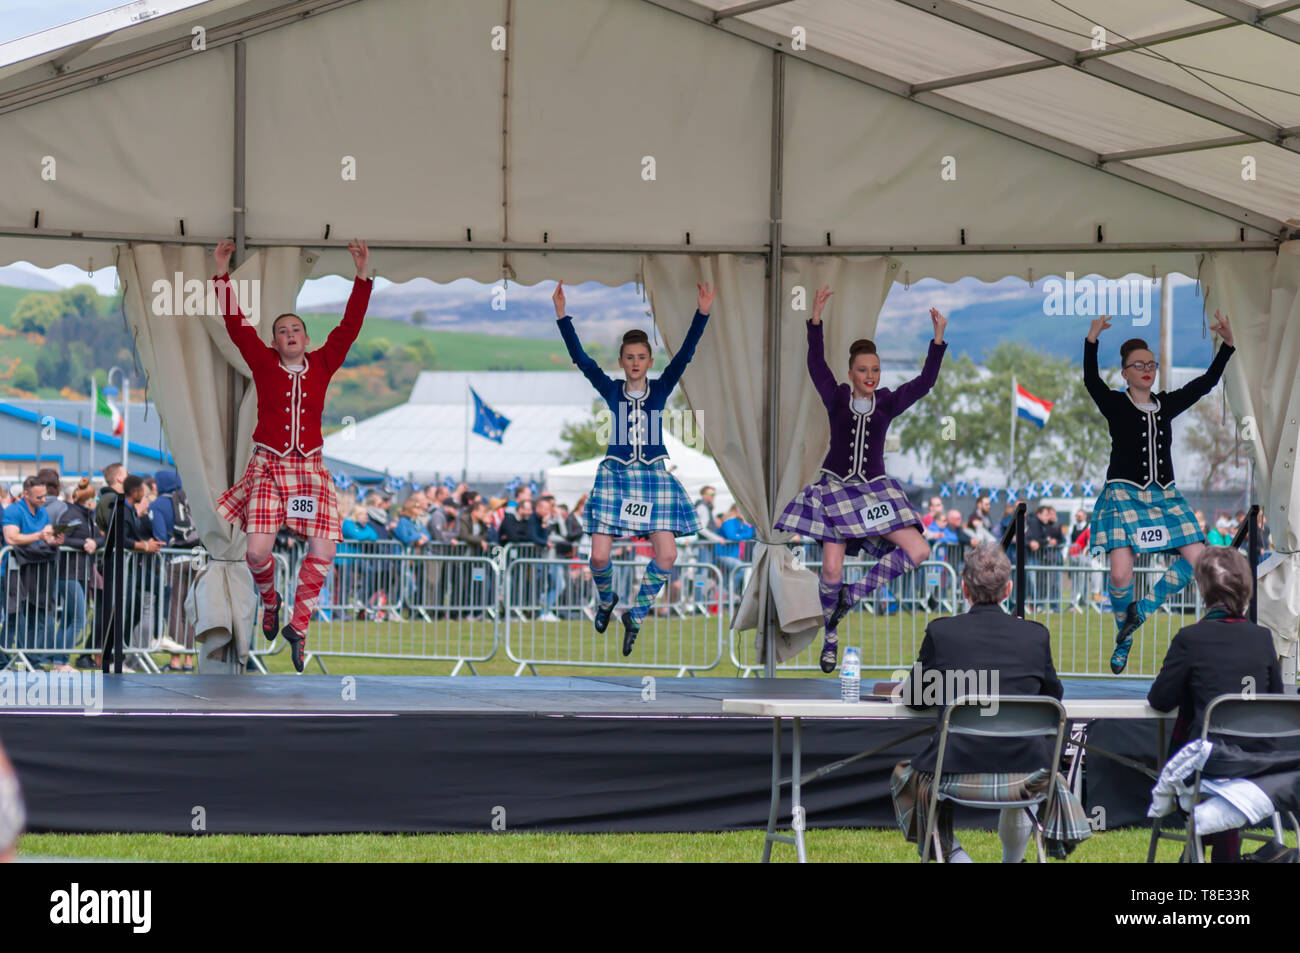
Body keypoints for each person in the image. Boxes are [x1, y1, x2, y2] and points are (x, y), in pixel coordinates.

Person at [212, 236, 372, 672]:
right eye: (282, 331)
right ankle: (270, 600)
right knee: (256, 553)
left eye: (295, 329)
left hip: (310, 467)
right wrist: (221, 273)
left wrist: (361, 277)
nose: (289, 335)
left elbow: (350, 327)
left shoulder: (323, 363)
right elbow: (235, 325)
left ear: (305, 337)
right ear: (276, 340)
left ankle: (298, 627)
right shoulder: (263, 363)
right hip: (269, 465)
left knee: (325, 548)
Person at [775, 286, 947, 672]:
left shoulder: (887, 401)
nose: (870, 375)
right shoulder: (836, 397)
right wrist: (815, 320)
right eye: (863, 370)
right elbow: (816, 364)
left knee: (919, 551)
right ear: (851, 373)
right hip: (836, 490)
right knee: (831, 570)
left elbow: (925, 383)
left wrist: (937, 340)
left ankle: (853, 595)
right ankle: (831, 632)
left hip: (873, 493)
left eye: (875, 369)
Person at [890, 543, 1090, 862]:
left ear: (964, 588)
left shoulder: (943, 632)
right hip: (1029, 769)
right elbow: (1054, 697)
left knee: (906, 776)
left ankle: (955, 857)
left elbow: (913, 697)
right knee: (1020, 777)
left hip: (954, 769)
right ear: (1008, 589)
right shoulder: (1035, 635)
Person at [553, 279, 711, 656]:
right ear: (622, 361)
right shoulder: (610, 389)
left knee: (668, 555)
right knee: (599, 557)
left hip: (653, 476)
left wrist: (702, 312)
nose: (636, 363)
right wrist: (563, 317)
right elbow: (581, 360)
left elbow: (686, 354)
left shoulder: (660, 389)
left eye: (642, 357)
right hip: (616, 476)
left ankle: (636, 615)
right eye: (630, 357)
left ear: (649, 362)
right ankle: (606, 600)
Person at [1084, 311, 1234, 674]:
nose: (1147, 369)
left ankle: (1143, 610)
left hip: (1164, 494)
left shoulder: (1165, 403)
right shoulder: (1116, 404)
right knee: (1120, 575)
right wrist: (1091, 341)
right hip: (1124, 494)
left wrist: (1228, 347)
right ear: (1125, 373)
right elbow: (1091, 381)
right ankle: (1125, 635)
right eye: (1138, 365)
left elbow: (1205, 384)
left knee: (1200, 558)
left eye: (1151, 364)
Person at [1148, 546, 1283, 862]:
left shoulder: (1190, 639)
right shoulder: (1262, 639)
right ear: (1246, 588)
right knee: (1220, 757)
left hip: (1206, 771)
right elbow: (1275, 705)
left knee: (1211, 758)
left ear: (1202, 590)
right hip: (1259, 770)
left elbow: (1160, 699)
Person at [2, 476, 67, 670]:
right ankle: (3, 661)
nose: (42, 500)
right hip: (15, 569)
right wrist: (39, 535)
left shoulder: (43, 513)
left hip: (38, 570)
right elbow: (11, 538)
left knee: (37, 615)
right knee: (14, 616)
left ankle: (33, 660)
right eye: (39, 497)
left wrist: (53, 541)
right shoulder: (14, 510)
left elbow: (43, 539)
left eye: (44, 496)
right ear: (26, 494)